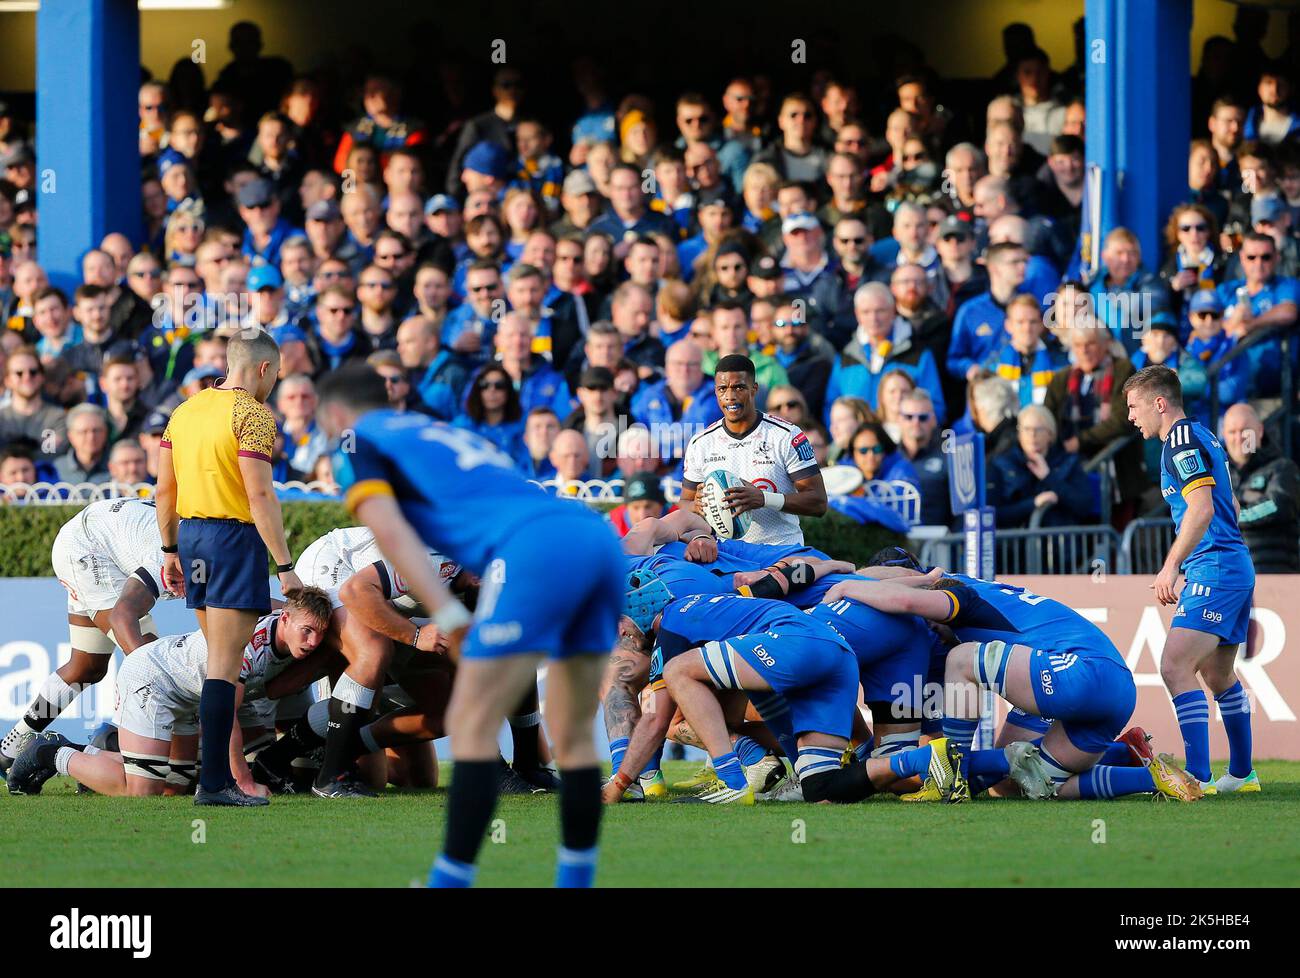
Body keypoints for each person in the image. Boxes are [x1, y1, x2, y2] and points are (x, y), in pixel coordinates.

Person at [317, 363, 621, 887]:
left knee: (473, 723)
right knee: (572, 734)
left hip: (527, 550)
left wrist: (452, 616)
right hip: (591, 536)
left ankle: (448, 881)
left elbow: (392, 534)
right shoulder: (440, 430)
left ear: (337, 413)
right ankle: (577, 879)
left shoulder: (356, 441)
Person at [825, 571, 1198, 803]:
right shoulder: (993, 596)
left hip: (1079, 671)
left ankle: (946, 772)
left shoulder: (962, 593)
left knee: (961, 660)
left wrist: (847, 587)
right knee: (1029, 783)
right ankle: (1149, 775)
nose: (935, 635)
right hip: (1112, 690)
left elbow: (906, 599)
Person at [155, 330, 301, 806]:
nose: (274, 384)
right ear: (263, 368)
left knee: (219, 664)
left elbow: (163, 492)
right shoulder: (252, 414)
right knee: (223, 667)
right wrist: (285, 566)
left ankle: (217, 778)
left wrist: (170, 549)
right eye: (276, 375)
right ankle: (214, 784)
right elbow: (260, 495)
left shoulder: (185, 410)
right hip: (233, 539)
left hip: (193, 539)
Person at [10, 588, 332, 799]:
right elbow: (226, 715)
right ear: (285, 619)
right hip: (154, 680)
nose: (313, 641)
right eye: (307, 631)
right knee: (141, 791)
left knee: (174, 787)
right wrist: (244, 782)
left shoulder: (286, 632)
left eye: (320, 634)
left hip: (188, 697)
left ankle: (93, 751)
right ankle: (51, 753)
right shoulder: (250, 644)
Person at [1123, 365, 1259, 794]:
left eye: (1134, 406)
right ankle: (1241, 774)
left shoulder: (1177, 442)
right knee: (1219, 676)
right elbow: (1230, 504)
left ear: (1159, 403)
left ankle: (1197, 776)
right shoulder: (1204, 436)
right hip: (1232, 564)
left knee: (1175, 665)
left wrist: (1171, 566)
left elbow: (1202, 510)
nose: (1130, 417)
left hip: (1215, 566)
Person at [0, 497, 181, 776]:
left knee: (87, 667)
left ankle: (9, 751)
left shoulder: (198, 543)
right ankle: (135, 753)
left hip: (96, 538)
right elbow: (124, 616)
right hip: (90, 548)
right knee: (150, 658)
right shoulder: (173, 551)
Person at [679, 354, 827, 546]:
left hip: (781, 550)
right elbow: (684, 503)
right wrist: (696, 506)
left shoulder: (786, 435)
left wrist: (764, 498)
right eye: (722, 389)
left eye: (739, 387)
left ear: (754, 389)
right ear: (715, 392)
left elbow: (818, 503)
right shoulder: (700, 443)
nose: (730, 396)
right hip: (727, 554)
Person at [1223, 402, 1300, 572]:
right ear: (1224, 435)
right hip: (1230, 578)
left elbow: (1278, 505)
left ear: (1260, 430)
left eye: (1245, 430)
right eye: (1232, 432)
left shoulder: (1282, 468)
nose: (1239, 437)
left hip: (1275, 576)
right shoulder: (1219, 474)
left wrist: (1230, 518)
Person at [988, 404, 1094, 527]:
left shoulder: (1068, 462)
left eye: (1039, 429)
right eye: (1026, 429)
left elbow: (1084, 505)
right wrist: (1033, 503)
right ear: (1019, 434)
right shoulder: (1001, 463)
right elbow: (995, 514)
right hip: (1018, 543)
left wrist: (1049, 477)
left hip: (1058, 542)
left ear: (1050, 434)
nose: (1032, 435)